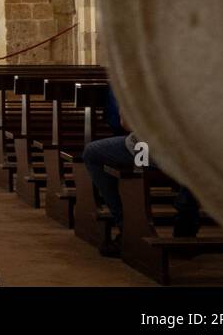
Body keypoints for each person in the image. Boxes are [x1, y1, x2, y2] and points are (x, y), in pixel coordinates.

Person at [82, 88, 200, 257]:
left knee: (93, 153)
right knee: (194, 161)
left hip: (152, 149)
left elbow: (126, 124)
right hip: (199, 153)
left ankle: (128, 228)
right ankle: (186, 230)